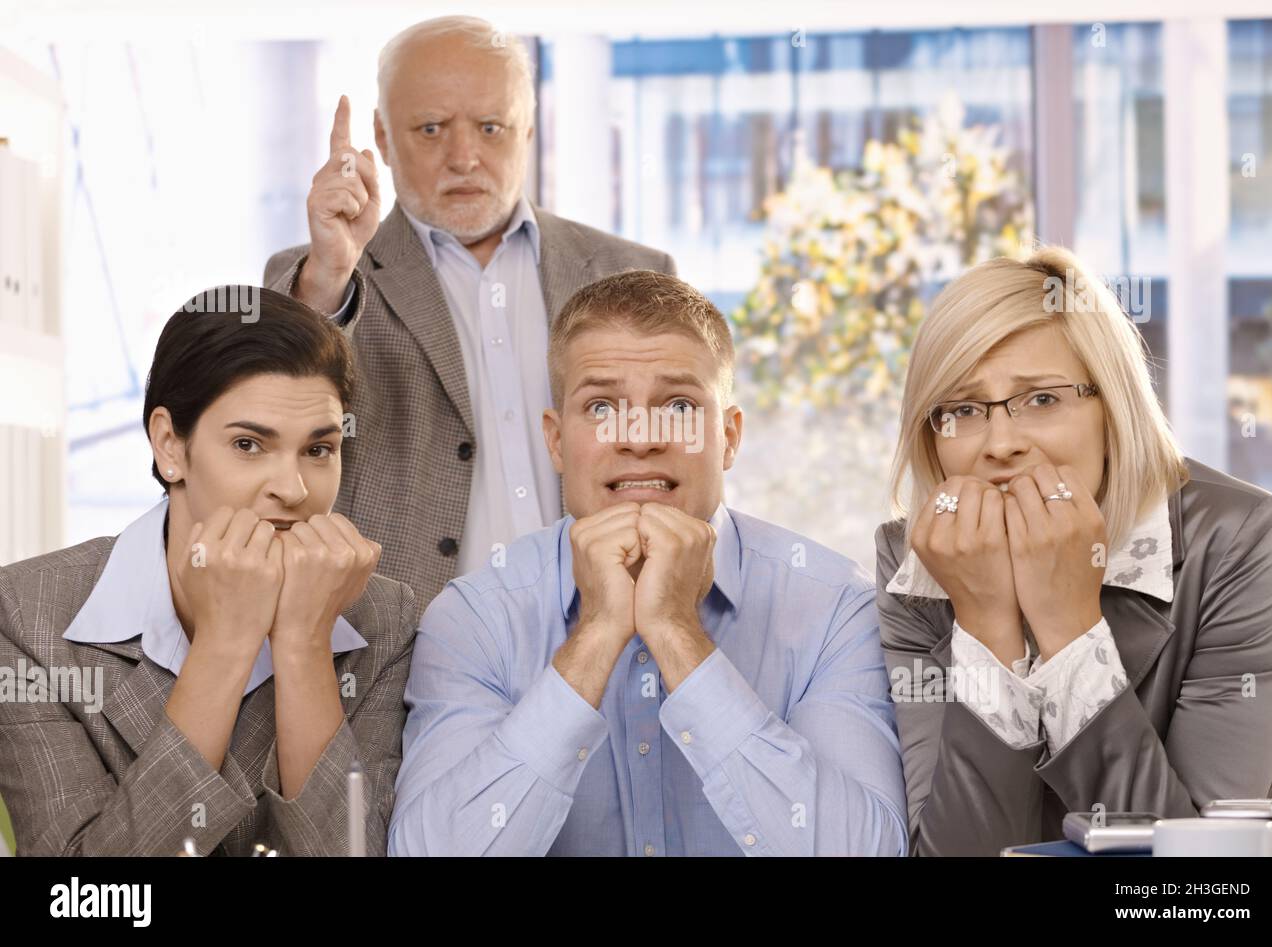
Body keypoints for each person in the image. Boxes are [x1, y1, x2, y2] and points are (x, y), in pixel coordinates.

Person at [388, 270, 907, 856]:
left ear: (729, 437)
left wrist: (676, 631)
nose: (639, 437)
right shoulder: (473, 617)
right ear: (556, 442)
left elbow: (862, 850)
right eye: (602, 406)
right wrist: (597, 634)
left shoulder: (835, 605)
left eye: (679, 405)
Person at [875, 246, 1272, 856]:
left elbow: (1196, 881)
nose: (1002, 444)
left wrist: (1068, 626)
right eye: (963, 409)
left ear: (1113, 406)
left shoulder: (1236, 540)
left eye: (1042, 399)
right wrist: (986, 626)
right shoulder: (912, 566)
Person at [264, 16, 675, 610]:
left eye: (491, 127)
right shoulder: (323, 274)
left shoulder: (633, 272)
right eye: (430, 129)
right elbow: (276, 419)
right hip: (400, 654)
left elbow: (680, 460)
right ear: (382, 137)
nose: (464, 157)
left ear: (528, 128)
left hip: (604, 634)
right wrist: (329, 277)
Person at [0, 288, 418, 855]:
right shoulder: (27, 615)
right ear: (170, 445)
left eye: (318, 450)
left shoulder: (384, 616)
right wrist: (225, 642)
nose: (293, 490)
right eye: (249, 444)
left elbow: (350, 852)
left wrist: (303, 641)